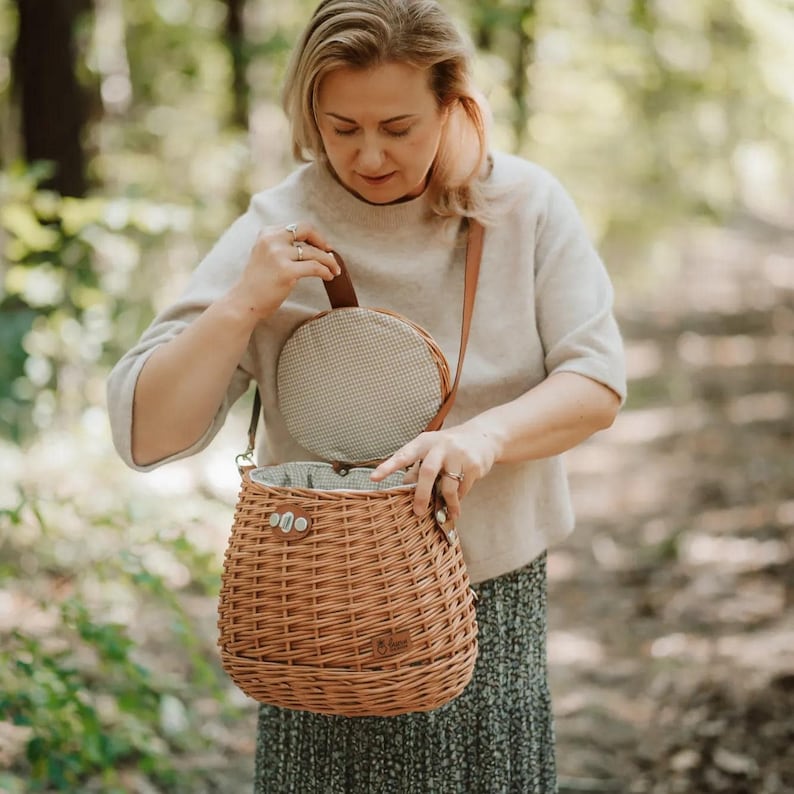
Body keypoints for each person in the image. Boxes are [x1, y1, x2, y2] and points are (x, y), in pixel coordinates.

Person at [107, 0, 626, 790]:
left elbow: (595, 381)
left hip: (487, 593)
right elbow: (146, 433)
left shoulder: (525, 205)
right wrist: (243, 304)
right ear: (309, 113)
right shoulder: (279, 225)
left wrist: (479, 439)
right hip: (319, 606)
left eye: (399, 126)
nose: (370, 155)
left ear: (453, 104)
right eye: (342, 128)